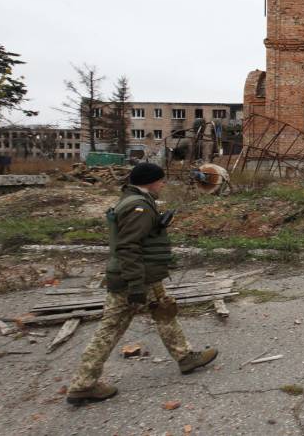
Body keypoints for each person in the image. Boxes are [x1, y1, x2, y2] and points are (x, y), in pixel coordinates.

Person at [67, 163, 218, 405]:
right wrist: (136, 285)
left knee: (165, 312)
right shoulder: (138, 206)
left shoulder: (135, 200)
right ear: (150, 181)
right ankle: (83, 384)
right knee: (110, 329)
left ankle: (186, 357)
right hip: (134, 278)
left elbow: (136, 238)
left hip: (146, 275)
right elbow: (128, 247)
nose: (163, 184)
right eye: (161, 180)